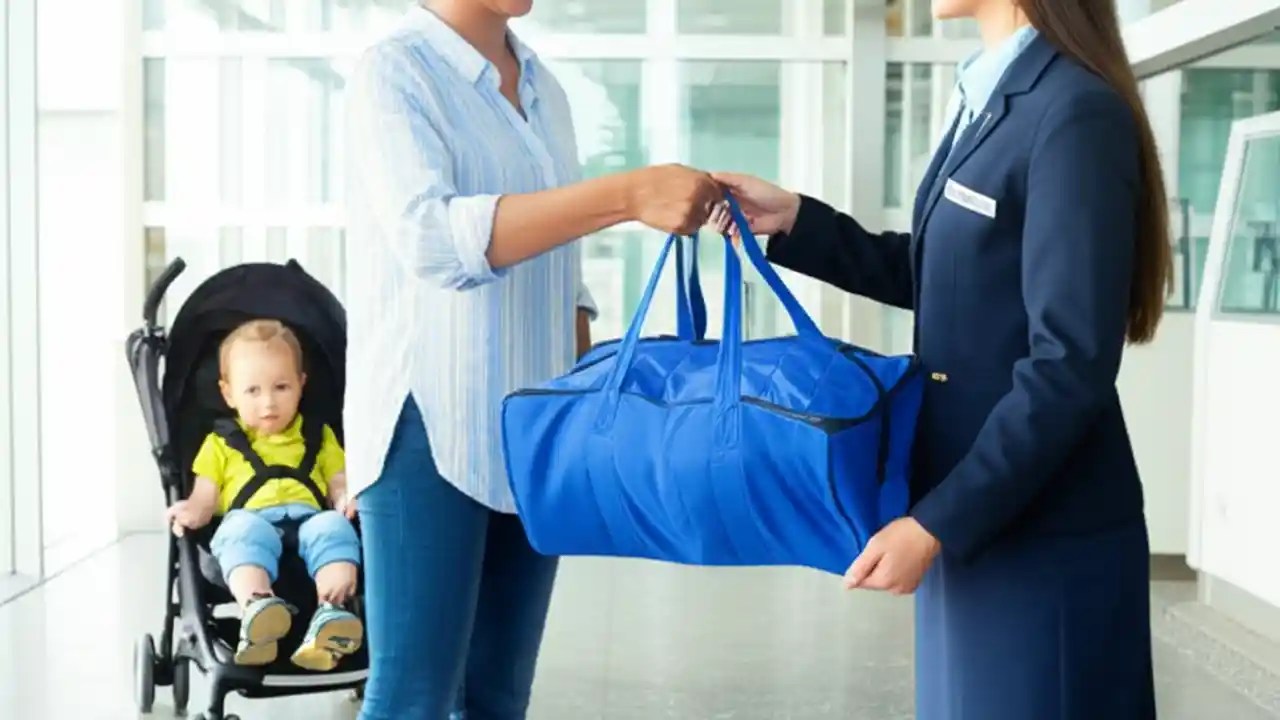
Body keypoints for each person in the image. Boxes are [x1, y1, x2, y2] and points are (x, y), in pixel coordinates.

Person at [713, 0, 1168, 718]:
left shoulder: (1073, 111)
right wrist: (797, 219)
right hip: (978, 510)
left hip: (1037, 527)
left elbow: (1070, 362)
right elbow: (947, 274)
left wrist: (935, 524)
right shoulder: (992, 100)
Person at [342, 1, 722, 718]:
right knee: (413, 700)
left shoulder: (544, 85)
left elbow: (560, 265)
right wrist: (627, 194)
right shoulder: (394, 72)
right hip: (430, 419)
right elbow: (430, 240)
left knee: (498, 697)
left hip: (534, 431)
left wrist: (582, 407)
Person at [165, 319, 363, 672]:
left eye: (281, 387)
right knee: (239, 529)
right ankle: (258, 609)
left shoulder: (319, 435)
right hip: (251, 521)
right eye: (252, 391)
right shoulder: (220, 444)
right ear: (228, 394)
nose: (268, 402)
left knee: (334, 527)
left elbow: (338, 483)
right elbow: (205, 498)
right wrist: (191, 511)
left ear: (302, 385)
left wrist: (346, 497)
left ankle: (332, 613)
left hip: (309, 521)